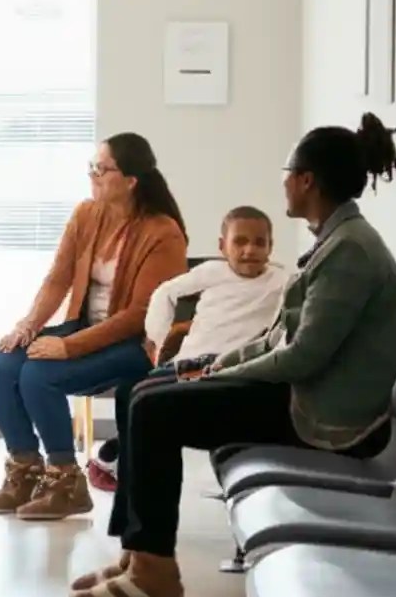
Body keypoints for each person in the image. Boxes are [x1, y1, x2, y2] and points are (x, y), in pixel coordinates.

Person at [68, 113, 396, 597]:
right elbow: (278, 338)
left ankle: (154, 575)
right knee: (150, 388)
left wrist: (221, 372)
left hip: (325, 417)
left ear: (307, 181)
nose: (284, 182)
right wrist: (207, 365)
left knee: (157, 410)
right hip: (308, 394)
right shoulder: (337, 242)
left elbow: (301, 356)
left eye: (288, 172)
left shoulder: (351, 252)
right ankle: (139, 556)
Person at [0, 132, 188, 522]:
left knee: (38, 375)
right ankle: (25, 472)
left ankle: (66, 481)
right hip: (84, 329)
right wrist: (28, 327)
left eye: (101, 168)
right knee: (0, 365)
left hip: (134, 344)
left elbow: (140, 314)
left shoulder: (164, 233)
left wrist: (69, 347)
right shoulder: (86, 214)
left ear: (130, 181)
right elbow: (57, 279)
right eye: (92, 166)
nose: (92, 174)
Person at [86, 206, 289, 492]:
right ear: (222, 246)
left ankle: (116, 458)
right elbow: (165, 292)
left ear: (270, 247)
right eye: (239, 242)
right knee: (140, 391)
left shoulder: (281, 281)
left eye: (259, 242)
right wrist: (156, 338)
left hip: (226, 366)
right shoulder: (212, 272)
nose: (249, 250)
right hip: (190, 361)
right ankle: (118, 455)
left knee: (157, 400)